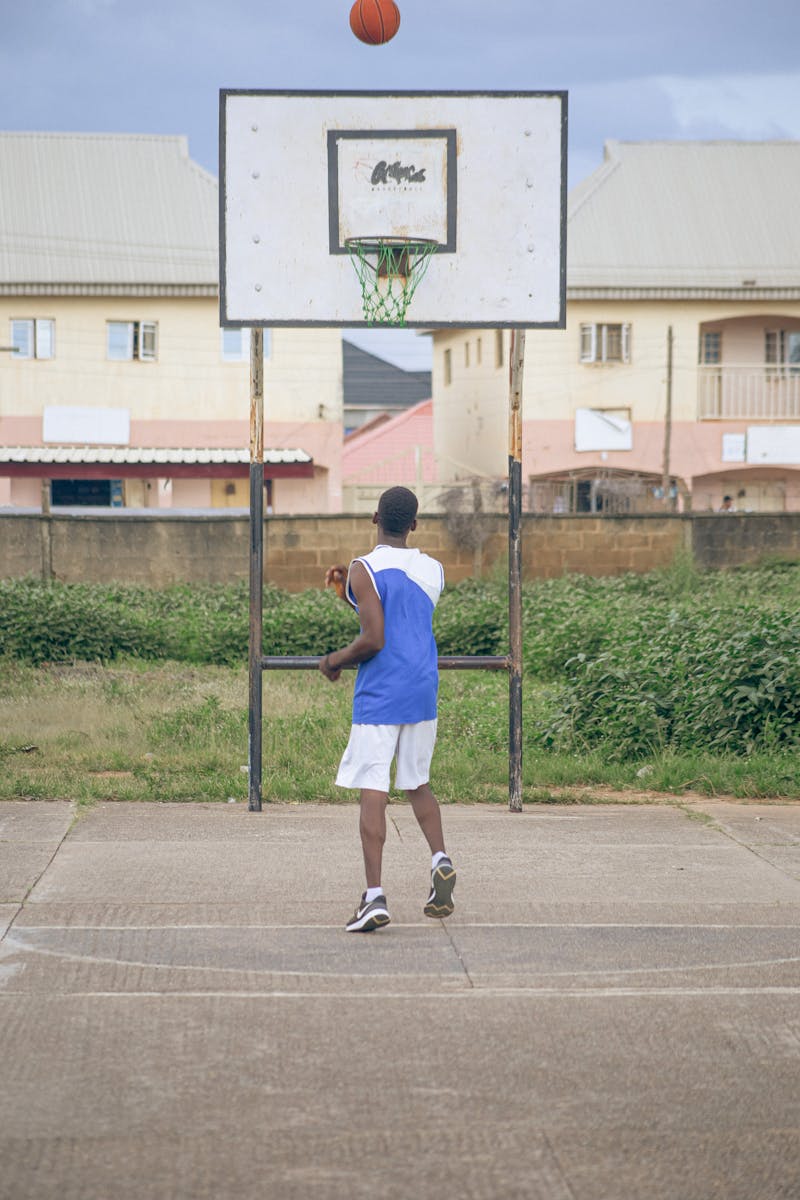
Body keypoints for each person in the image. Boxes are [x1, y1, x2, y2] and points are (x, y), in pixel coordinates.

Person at [320, 486, 456, 933]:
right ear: (415, 524)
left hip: (380, 694)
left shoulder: (365, 566)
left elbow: (376, 637)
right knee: (418, 783)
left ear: (374, 517)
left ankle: (374, 897)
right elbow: (400, 612)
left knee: (373, 788)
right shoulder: (433, 569)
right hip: (422, 689)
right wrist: (349, 593)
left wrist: (335, 660)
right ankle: (440, 858)